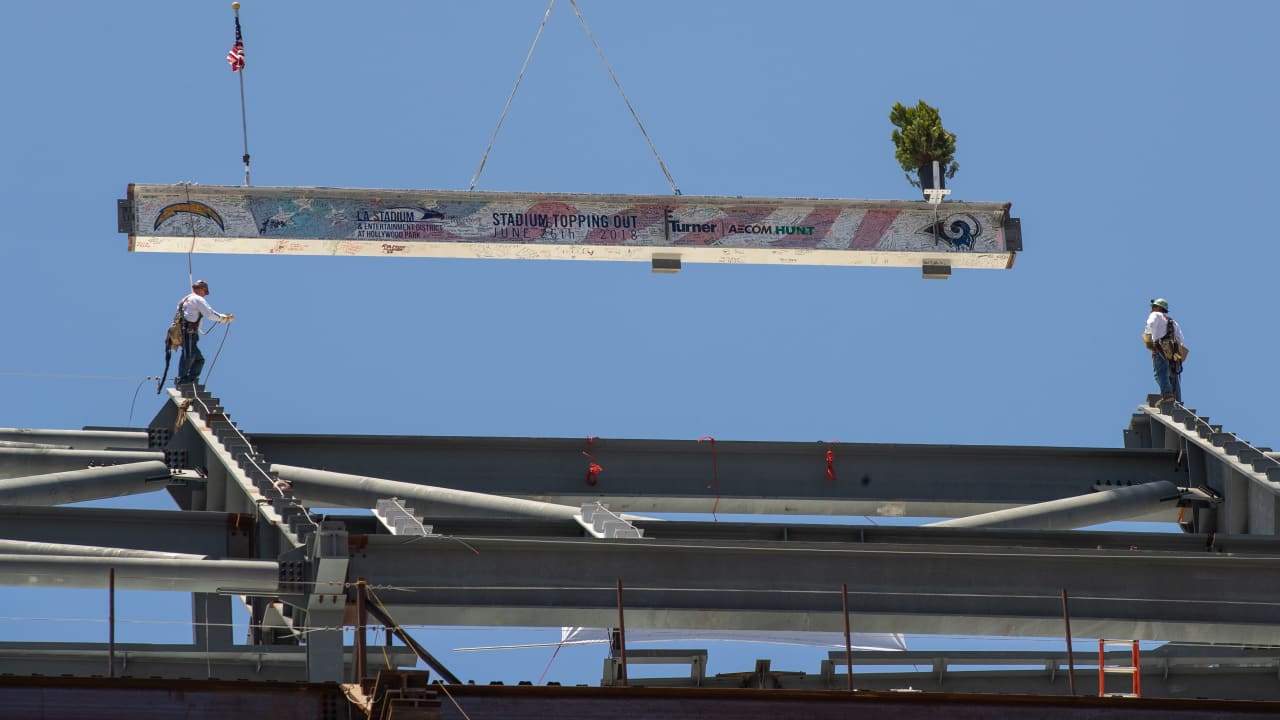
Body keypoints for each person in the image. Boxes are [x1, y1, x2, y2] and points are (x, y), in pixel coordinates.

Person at [175, 279, 234, 387]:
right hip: (188, 332)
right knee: (189, 355)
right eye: (205, 292)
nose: (205, 295)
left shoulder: (184, 299)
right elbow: (209, 314)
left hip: (182, 333)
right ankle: (182, 380)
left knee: (199, 360)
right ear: (201, 289)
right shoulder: (197, 299)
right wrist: (224, 318)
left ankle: (190, 380)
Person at [1142, 297, 1187, 405]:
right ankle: (1177, 401)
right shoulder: (1173, 322)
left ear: (1157, 307)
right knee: (1173, 377)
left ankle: (1167, 396)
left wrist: (1148, 341)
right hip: (1174, 354)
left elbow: (1150, 325)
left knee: (1160, 373)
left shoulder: (1155, 315)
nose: (1151, 309)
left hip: (1160, 349)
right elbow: (1181, 340)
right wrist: (1179, 357)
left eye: (1153, 307)